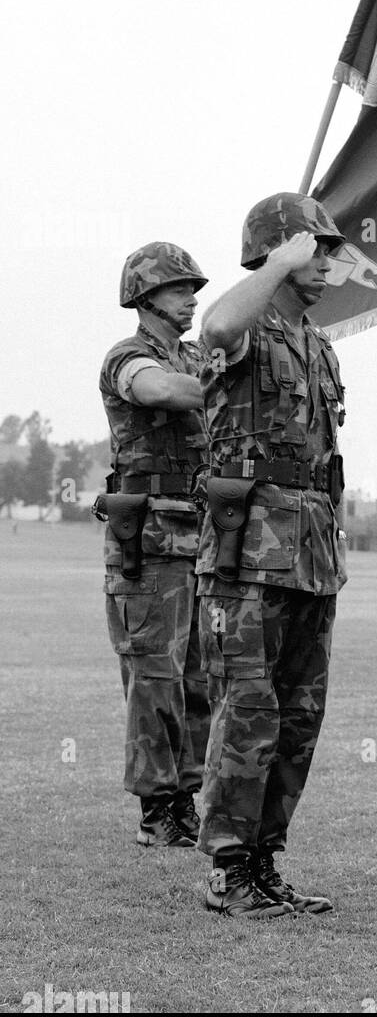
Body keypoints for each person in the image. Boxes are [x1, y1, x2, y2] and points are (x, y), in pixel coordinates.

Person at [196, 193, 348, 919]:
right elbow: (216, 324)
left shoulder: (318, 343)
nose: (328, 262)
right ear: (282, 250)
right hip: (248, 555)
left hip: (312, 552)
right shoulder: (246, 328)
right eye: (317, 249)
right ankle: (227, 868)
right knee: (250, 710)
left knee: (297, 717)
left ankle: (263, 861)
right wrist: (281, 259)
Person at [99, 242, 211, 848]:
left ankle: (185, 798)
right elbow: (158, 392)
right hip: (148, 538)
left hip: (203, 536)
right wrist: (220, 385)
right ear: (144, 297)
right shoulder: (129, 357)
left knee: (199, 676)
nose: (192, 299)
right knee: (154, 675)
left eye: (194, 289)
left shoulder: (196, 355)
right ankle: (156, 808)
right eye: (178, 289)